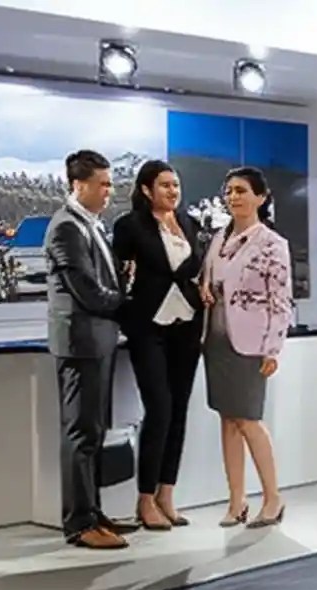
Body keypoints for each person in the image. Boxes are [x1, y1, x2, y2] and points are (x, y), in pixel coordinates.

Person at [44, 149, 139, 549]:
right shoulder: (66, 228)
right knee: (81, 435)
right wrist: (130, 300)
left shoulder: (91, 226)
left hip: (99, 345)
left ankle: (94, 515)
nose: (108, 191)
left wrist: (121, 282)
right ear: (77, 185)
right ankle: (79, 524)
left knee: (94, 433)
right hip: (81, 346)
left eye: (110, 183)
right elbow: (89, 293)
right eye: (102, 184)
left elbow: (104, 285)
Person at [199, 166, 293, 528]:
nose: (233, 196)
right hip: (217, 339)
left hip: (251, 343)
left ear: (260, 197)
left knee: (248, 419)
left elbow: (280, 299)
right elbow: (211, 279)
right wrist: (204, 288)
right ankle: (236, 500)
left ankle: (273, 498)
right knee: (227, 419)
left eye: (241, 190)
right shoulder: (219, 238)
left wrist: (273, 348)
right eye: (229, 191)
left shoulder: (271, 243)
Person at [112, 160, 204, 531]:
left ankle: (167, 493)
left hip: (186, 326)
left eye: (176, 185)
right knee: (160, 408)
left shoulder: (190, 224)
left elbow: (194, 270)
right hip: (148, 326)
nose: (172, 191)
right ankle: (145, 499)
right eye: (165, 185)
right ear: (147, 189)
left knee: (179, 411)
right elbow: (119, 275)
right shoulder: (129, 225)